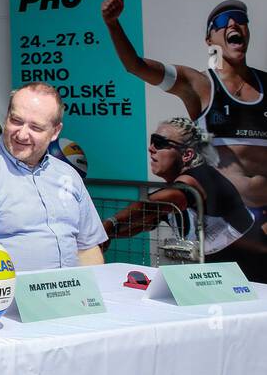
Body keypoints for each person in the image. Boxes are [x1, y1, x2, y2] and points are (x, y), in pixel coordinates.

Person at [102, 0, 267, 213]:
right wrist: (113, 24)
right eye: (222, 21)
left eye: (239, 18)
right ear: (209, 39)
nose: (233, 24)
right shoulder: (200, 84)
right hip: (226, 215)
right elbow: (135, 66)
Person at [0, 82, 107, 271]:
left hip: (72, 294)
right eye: (16, 121)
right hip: (13, 298)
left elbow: (87, 250)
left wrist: (94, 294)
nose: (22, 134)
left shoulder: (68, 175)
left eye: (35, 128)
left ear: (55, 132)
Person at [102, 118, 265, 277]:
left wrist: (108, 226)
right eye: (152, 141)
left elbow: (152, 205)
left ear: (187, 155)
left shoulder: (201, 176)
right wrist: (106, 235)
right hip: (226, 274)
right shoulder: (173, 193)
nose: (151, 148)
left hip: (254, 274)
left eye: (159, 143)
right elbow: (138, 222)